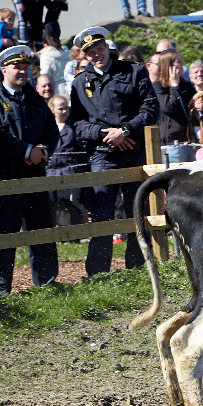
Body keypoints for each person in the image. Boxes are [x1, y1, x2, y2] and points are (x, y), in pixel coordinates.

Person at [68, 26, 157, 276]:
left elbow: (150, 109)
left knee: (138, 211)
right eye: (91, 53)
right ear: (84, 56)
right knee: (101, 216)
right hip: (102, 155)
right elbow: (77, 123)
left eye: (99, 49)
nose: (97, 55)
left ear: (108, 48)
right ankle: (98, 274)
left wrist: (126, 131)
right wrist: (105, 134)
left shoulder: (134, 71)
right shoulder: (79, 83)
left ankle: (139, 270)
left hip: (133, 151)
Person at [0, 45, 59, 294]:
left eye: (25, 67)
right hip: (6, 178)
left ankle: (46, 285)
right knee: (4, 235)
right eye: (17, 67)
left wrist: (42, 150)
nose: (23, 71)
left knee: (41, 231)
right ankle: (1, 290)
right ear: (4, 70)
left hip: (35, 175)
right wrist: (26, 151)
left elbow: (51, 130)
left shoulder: (34, 98)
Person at [46, 94, 89, 225]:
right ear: (52, 109)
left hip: (71, 173)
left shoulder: (74, 128)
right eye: (60, 109)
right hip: (50, 174)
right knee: (50, 204)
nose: (64, 111)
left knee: (73, 204)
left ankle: (74, 234)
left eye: (66, 108)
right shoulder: (46, 129)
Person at [153, 51, 193, 146]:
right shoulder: (157, 86)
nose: (182, 64)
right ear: (169, 66)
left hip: (189, 138)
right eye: (178, 61)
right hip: (171, 141)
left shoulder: (186, 86)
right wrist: (174, 86)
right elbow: (169, 108)